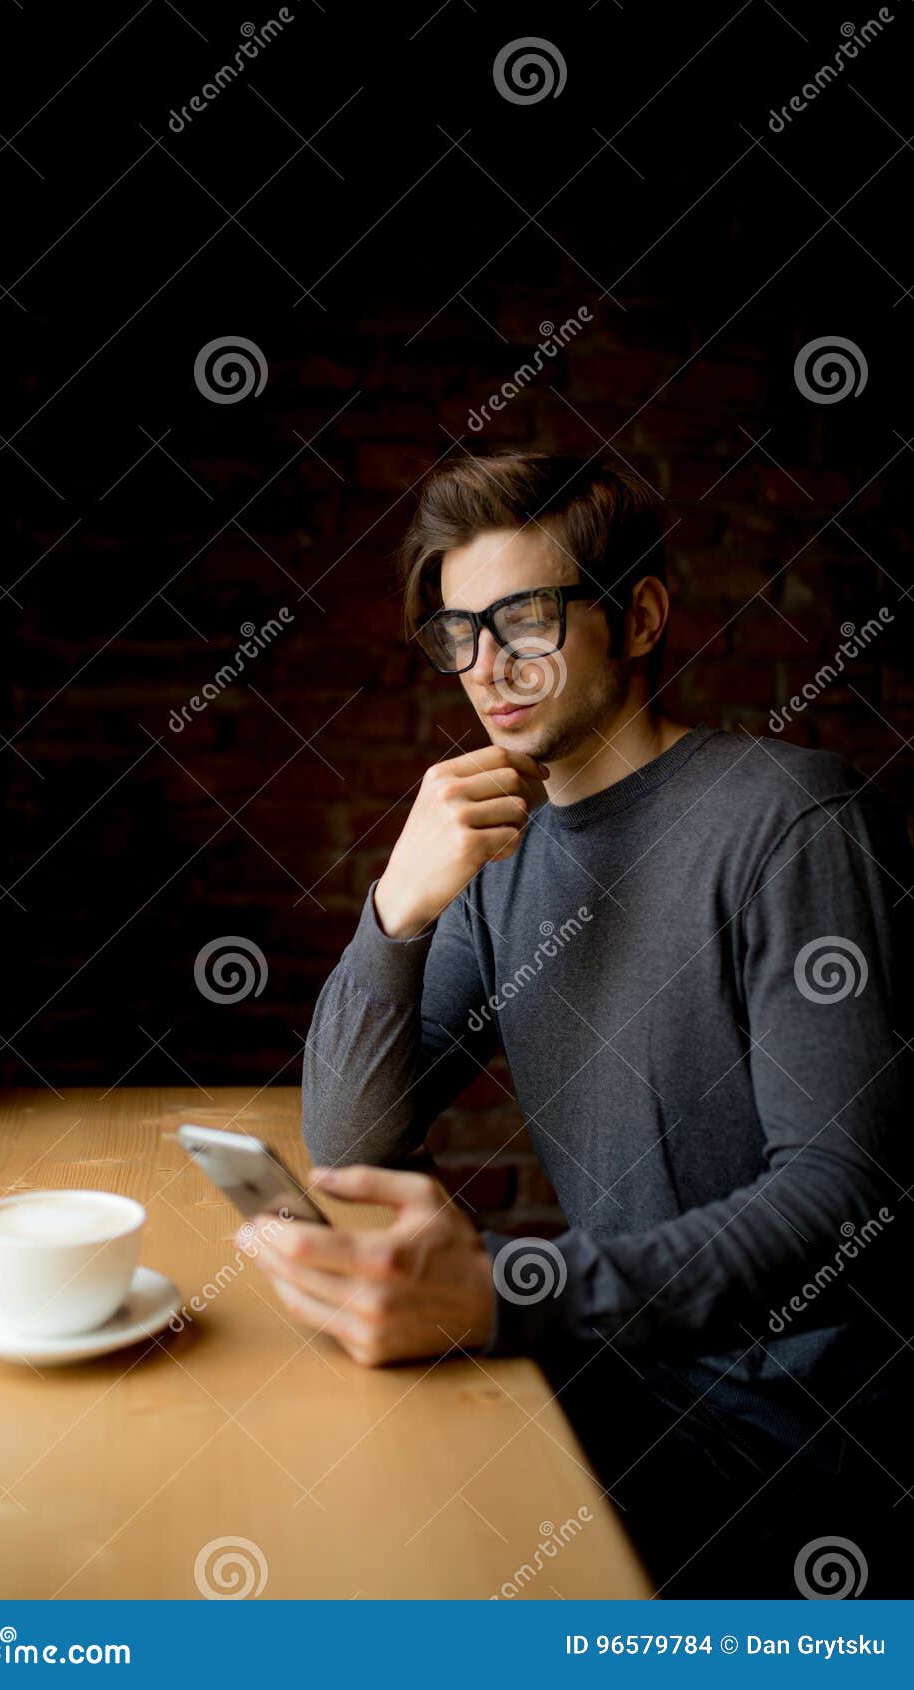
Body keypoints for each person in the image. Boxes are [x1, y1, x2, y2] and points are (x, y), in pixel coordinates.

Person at [243, 452, 912, 1595]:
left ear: (638, 616)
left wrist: (517, 1290)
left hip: (800, 1433)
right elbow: (348, 1146)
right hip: (631, 1370)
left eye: (525, 621)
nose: (485, 667)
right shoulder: (500, 867)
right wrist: (396, 906)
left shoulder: (787, 816)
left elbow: (838, 1196)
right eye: (457, 631)